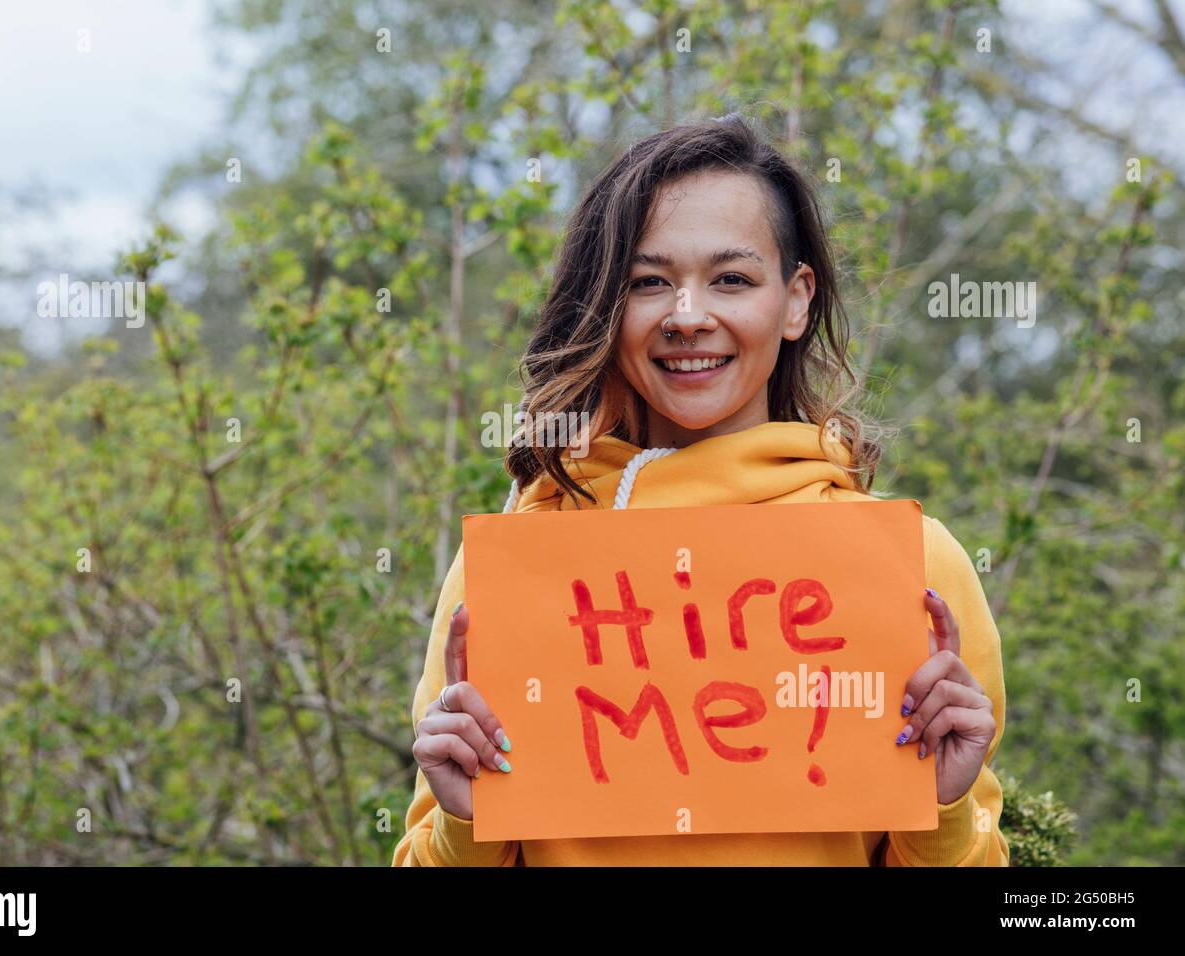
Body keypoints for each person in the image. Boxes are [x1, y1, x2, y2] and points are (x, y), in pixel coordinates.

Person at [392, 113, 1008, 866]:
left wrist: (940, 808)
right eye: (649, 282)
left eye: (732, 280)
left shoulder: (915, 564)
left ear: (795, 300)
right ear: (608, 310)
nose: (688, 317)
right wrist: (466, 818)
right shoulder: (511, 567)